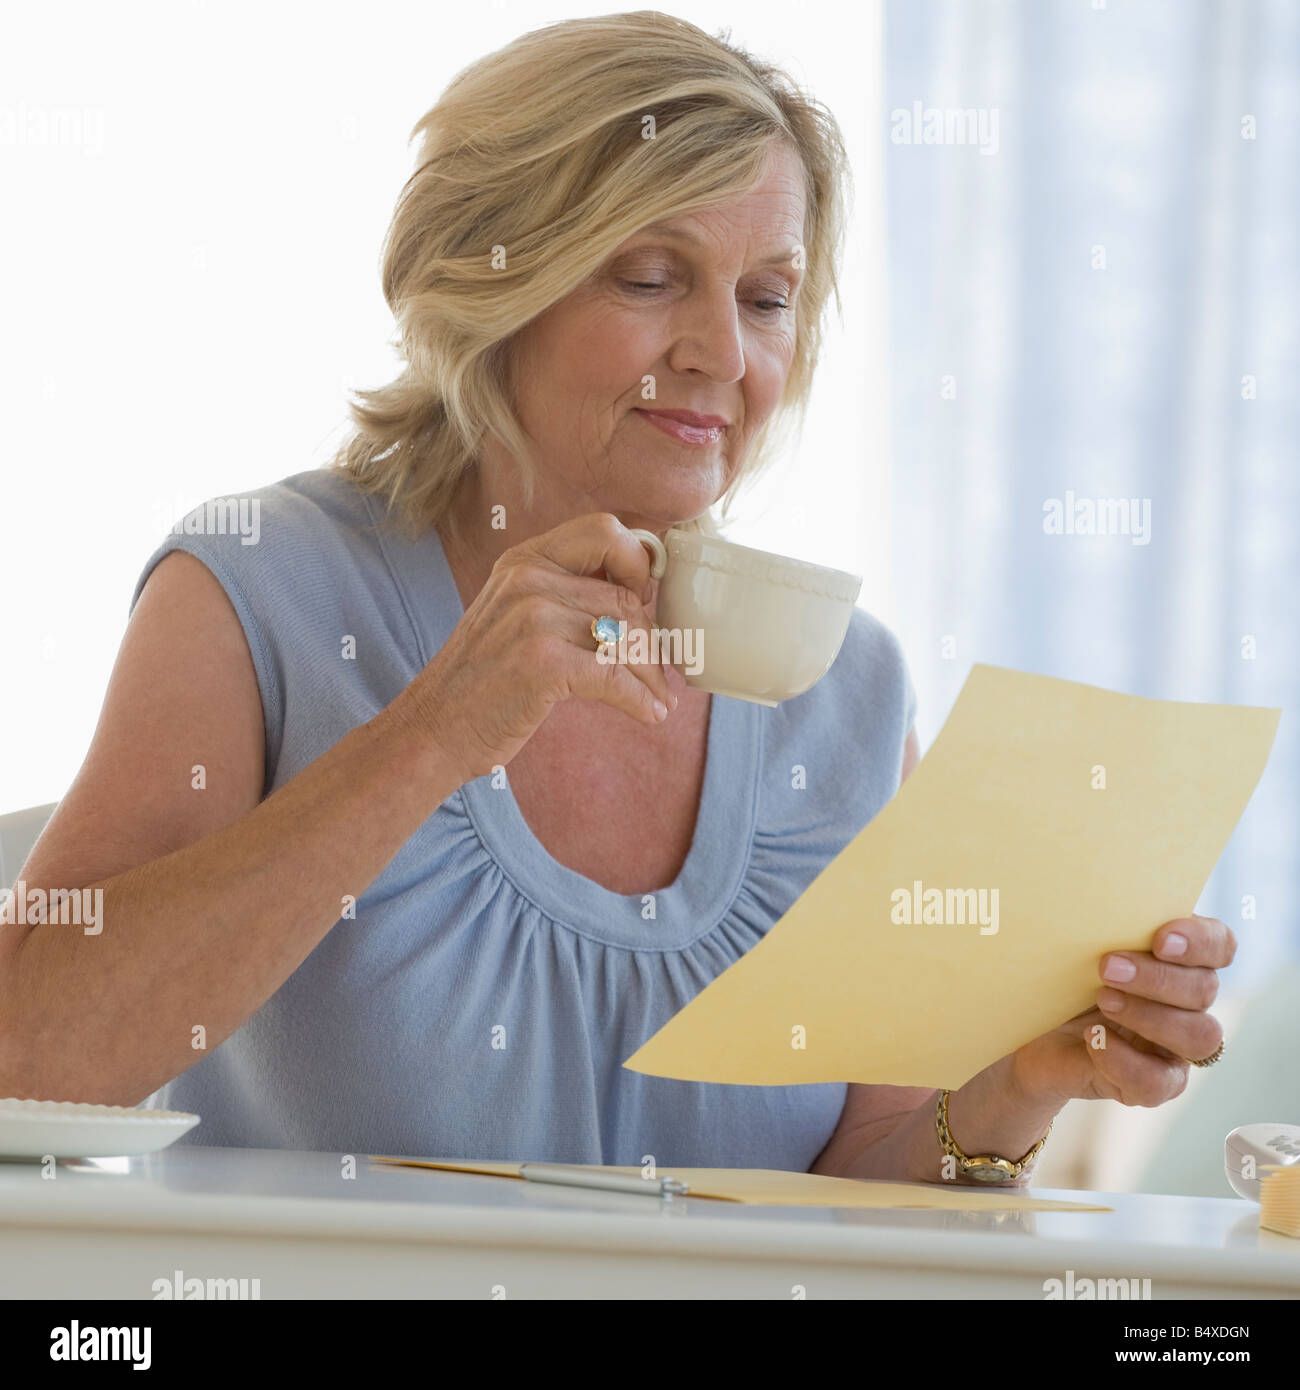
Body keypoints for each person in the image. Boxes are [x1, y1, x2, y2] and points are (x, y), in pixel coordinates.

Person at [0, 13, 1229, 1182]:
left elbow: (860, 1174)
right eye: (649, 277)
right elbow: (31, 1061)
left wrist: (1021, 1082)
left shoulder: (844, 690)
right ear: (494, 284)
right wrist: (432, 735)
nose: (721, 355)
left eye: (765, 299)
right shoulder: (261, 589)